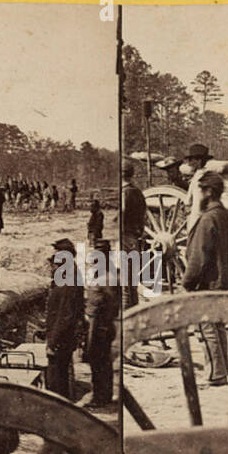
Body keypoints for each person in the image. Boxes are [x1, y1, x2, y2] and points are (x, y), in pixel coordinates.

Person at [183, 171, 228, 385]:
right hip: (224, 281)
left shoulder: (208, 219)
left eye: (200, 190)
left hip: (208, 281)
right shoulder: (227, 216)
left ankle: (216, 373)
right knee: (218, 325)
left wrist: (187, 282)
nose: (198, 195)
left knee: (205, 327)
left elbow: (198, 257)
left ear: (209, 192)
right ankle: (223, 369)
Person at [44, 238, 83, 400]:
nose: (53, 265)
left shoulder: (67, 282)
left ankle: (59, 413)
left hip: (61, 338)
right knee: (62, 374)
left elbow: (65, 316)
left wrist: (53, 341)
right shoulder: (70, 275)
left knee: (57, 379)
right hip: (64, 336)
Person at [82, 238, 118, 407]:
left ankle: (100, 397)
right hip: (101, 323)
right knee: (101, 362)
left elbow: (107, 305)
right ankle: (103, 395)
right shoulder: (106, 274)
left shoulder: (107, 277)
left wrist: (99, 326)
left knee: (99, 361)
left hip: (100, 325)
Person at [120, 161, 147, 309]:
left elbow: (122, 214)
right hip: (135, 239)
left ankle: (126, 316)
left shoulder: (124, 193)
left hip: (124, 238)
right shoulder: (138, 192)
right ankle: (135, 312)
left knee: (125, 284)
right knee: (132, 283)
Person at [182, 144, 215, 234]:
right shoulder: (209, 174)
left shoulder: (197, 177)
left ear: (199, 161)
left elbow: (188, 200)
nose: (188, 163)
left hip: (197, 215)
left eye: (191, 160)